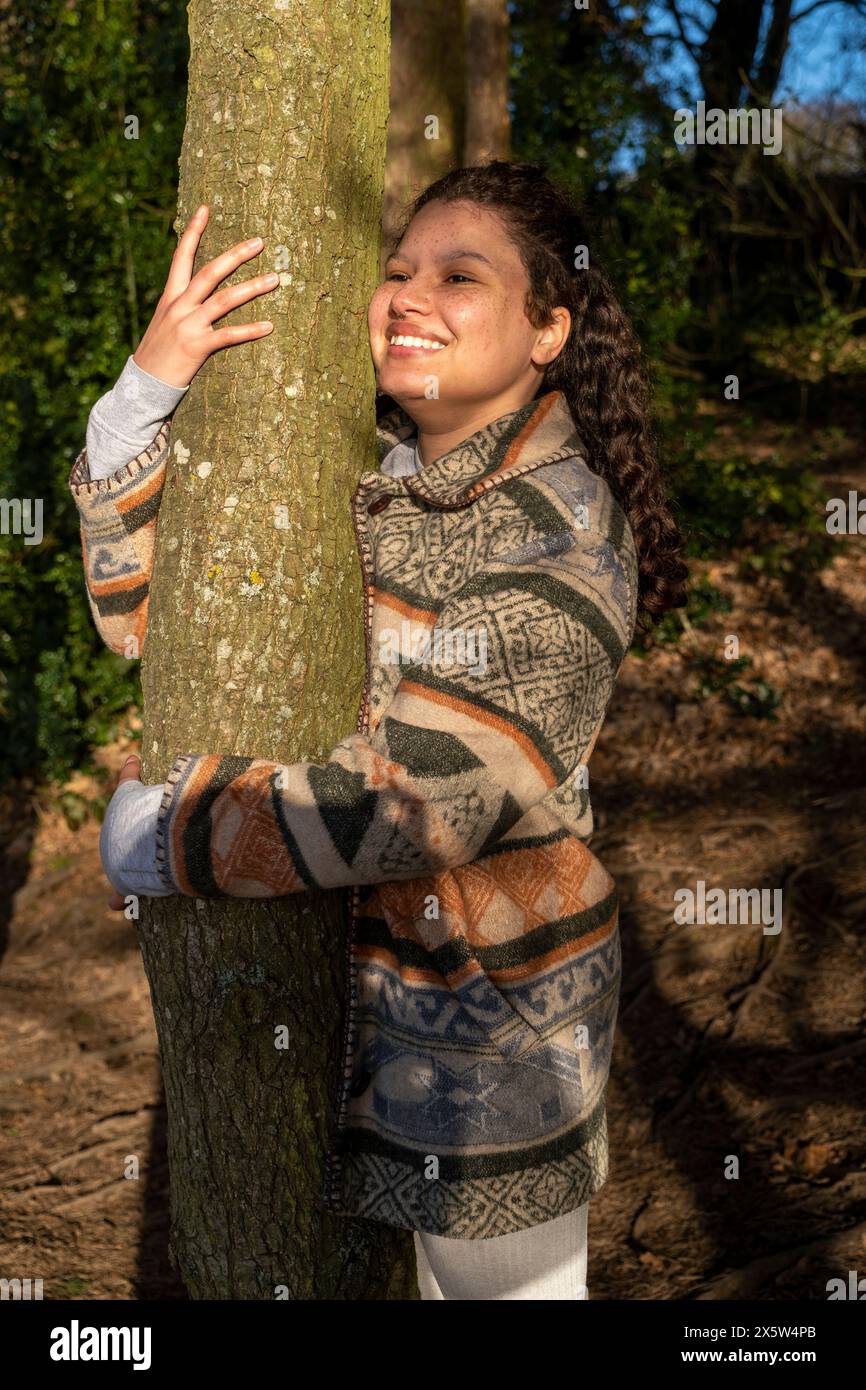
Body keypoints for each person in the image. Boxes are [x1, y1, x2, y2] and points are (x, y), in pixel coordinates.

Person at [68, 161, 688, 1300]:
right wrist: (141, 396)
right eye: (396, 269)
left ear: (548, 329)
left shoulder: (560, 529)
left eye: (460, 276)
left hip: (491, 1036)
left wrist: (172, 840)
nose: (407, 295)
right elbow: (144, 625)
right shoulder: (355, 472)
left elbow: (427, 803)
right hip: (333, 1015)